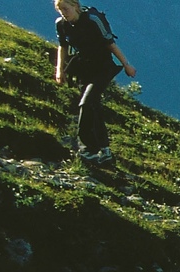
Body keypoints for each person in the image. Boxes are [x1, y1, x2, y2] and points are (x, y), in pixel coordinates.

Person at [53, 0, 135, 162]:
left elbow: (110, 44)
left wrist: (126, 65)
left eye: (66, 9)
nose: (63, 13)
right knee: (94, 106)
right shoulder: (61, 24)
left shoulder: (92, 20)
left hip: (102, 68)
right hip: (84, 69)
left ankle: (87, 148)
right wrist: (59, 70)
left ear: (75, 6)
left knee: (86, 103)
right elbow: (63, 46)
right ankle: (105, 150)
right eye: (60, 10)